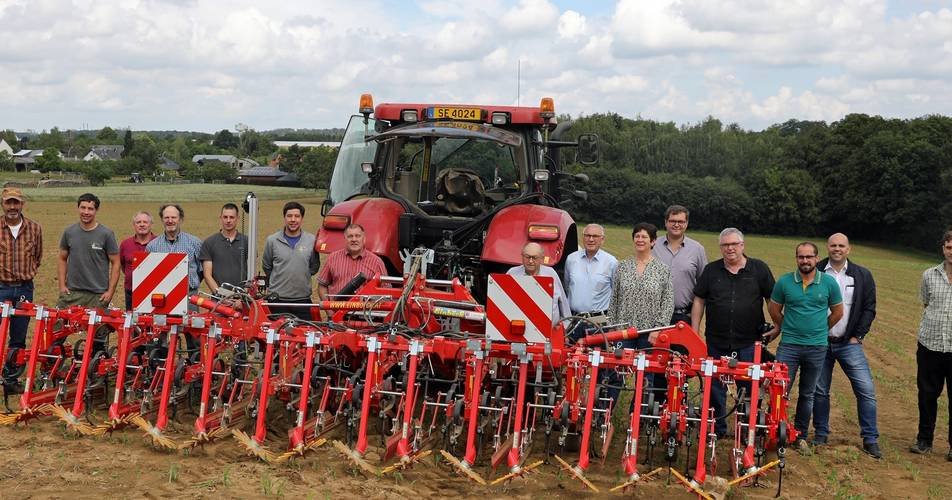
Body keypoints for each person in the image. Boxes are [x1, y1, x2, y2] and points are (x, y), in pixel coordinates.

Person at [692, 228, 776, 439]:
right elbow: (699, 300)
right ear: (720, 247)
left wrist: (778, 324)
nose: (730, 248)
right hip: (716, 340)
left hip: (748, 341)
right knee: (715, 387)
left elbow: (772, 300)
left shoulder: (759, 269)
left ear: (742, 245)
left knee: (748, 386)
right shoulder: (712, 271)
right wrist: (695, 331)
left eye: (734, 244)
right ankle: (717, 428)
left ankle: (747, 428)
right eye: (725, 245)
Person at [767, 242, 843, 456]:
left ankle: (799, 435)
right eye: (801, 257)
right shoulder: (785, 282)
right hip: (789, 345)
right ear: (796, 258)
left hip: (817, 347)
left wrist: (820, 329)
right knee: (780, 391)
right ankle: (774, 433)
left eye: (809, 257)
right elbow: (774, 309)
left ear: (817, 259)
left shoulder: (828, 283)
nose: (805, 261)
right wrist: (785, 326)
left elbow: (837, 312)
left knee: (808, 393)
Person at [811, 233, 881, 458]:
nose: (837, 249)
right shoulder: (816, 271)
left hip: (849, 344)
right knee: (820, 391)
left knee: (866, 391)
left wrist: (857, 336)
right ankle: (821, 434)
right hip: (821, 343)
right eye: (833, 245)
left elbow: (869, 308)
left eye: (841, 245)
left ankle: (870, 438)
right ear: (827, 248)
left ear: (848, 249)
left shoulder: (862, 275)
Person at [910, 230, 952, 461]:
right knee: (927, 395)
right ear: (943, 248)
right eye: (949, 247)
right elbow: (926, 302)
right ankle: (924, 440)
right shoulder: (929, 275)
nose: (951, 252)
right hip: (930, 345)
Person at [0, 187, 42, 392]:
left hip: (25, 288)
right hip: (1, 288)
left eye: (16, 202)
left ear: (22, 204)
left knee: (18, 336)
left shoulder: (34, 228)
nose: (12, 207)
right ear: (2, 204)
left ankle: (11, 380)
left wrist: (29, 273)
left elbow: (38, 256)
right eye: (9, 202)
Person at [57, 193, 121, 310]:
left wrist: (110, 292)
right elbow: (62, 258)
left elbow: (116, 262)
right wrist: (62, 286)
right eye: (83, 207)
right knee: (60, 326)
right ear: (78, 208)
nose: (86, 212)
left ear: (96, 210)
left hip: (98, 295)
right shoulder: (69, 232)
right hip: (72, 293)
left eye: (90, 209)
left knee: (96, 328)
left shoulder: (106, 234)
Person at [263, 201, 320, 319]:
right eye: (289, 216)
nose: (293, 220)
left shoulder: (312, 240)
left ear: (302, 218)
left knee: (304, 334)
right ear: (284, 218)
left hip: (302, 302)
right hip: (277, 301)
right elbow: (267, 267)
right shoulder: (272, 240)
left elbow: (314, 267)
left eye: (297, 216)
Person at [654, 205, 707, 324]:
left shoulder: (697, 249)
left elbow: (703, 286)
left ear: (686, 223)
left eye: (681, 221)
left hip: (683, 317)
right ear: (666, 222)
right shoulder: (652, 246)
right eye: (672, 221)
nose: (676, 225)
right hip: (654, 316)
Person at [564, 224, 618, 339]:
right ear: (583, 237)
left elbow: (616, 293)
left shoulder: (611, 262)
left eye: (595, 236)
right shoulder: (571, 259)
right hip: (574, 320)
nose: (591, 239)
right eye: (587, 235)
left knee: (597, 355)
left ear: (602, 239)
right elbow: (567, 286)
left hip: (598, 322)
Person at [145, 204, 204, 297]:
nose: (170, 221)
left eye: (173, 217)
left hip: (189, 295)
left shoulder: (195, 243)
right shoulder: (152, 246)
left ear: (180, 219)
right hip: (162, 296)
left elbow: (201, 271)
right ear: (162, 220)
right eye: (166, 217)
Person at [317, 223, 386, 301]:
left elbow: (386, 289)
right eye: (350, 236)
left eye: (358, 236)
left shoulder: (376, 262)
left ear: (364, 239)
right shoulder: (333, 258)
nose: (354, 239)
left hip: (366, 312)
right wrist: (329, 310)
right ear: (345, 239)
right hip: (337, 311)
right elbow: (322, 285)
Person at [507, 242, 571, 325]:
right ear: (522, 256)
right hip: (518, 329)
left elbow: (564, 305)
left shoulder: (551, 274)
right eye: (527, 257)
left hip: (550, 332)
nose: (530, 261)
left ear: (542, 259)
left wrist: (565, 328)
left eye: (534, 258)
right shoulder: (512, 273)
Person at [199, 203, 248, 295]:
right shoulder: (209, 242)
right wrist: (223, 295)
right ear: (220, 218)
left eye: (232, 217)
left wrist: (242, 297)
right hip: (218, 300)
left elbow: (251, 274)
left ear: (237, 218)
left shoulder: (247, 242)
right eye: (225, 217)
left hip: (242, 300)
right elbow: (207, 275)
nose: (228, 221)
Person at [118, 211, 156, 310]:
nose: (142, 225)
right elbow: (123, 265)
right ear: (134, 225)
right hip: (131, 291)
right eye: (138, 222)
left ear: (151, 224)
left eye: (145, 222)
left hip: (154, 293)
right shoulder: (125, 244)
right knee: (132, 322)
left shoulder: (159, 243)